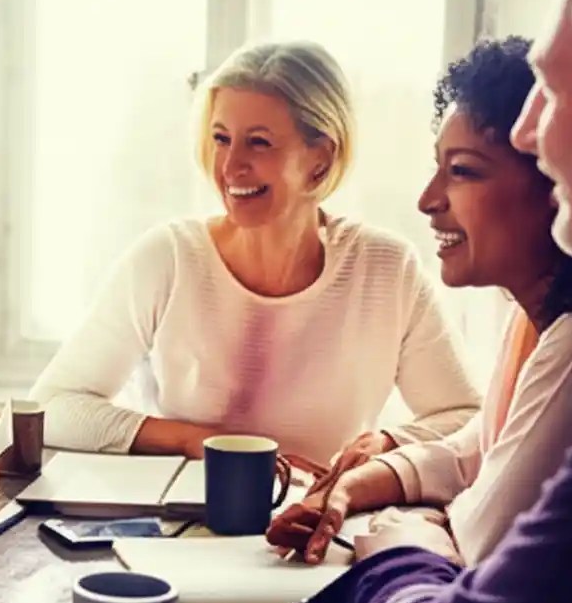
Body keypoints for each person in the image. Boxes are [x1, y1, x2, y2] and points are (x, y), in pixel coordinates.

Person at [283, 0, 572, 603]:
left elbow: (469, 580)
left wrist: (407, 541)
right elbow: (476, 452)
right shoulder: (537, 321)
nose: (530, 131)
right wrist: (367, 485)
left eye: (555, 88)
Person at [29, 41, 479, 468]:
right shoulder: (168, 258)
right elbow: (51, 405)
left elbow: (467, 421)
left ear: (320, 159)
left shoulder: (387, 270)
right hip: (184, 528)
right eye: (222, 138)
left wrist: (389, 443)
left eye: (259, 142)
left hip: (320, 531)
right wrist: (192, 440)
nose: (229, 166)